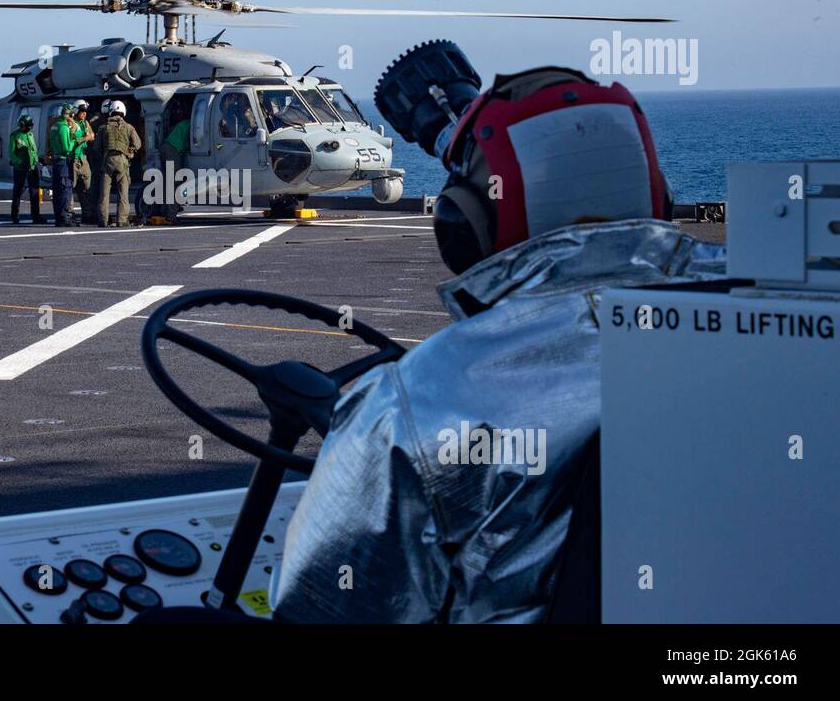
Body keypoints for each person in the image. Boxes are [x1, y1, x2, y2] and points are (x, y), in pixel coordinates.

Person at [270, 66, 726, 623]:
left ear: (465, 224)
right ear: (660, 195)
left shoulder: (420, 401)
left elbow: (323, 609)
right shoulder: (791, 321)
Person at [97, 100, 142, 227]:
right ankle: (122, 220)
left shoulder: (103, 127)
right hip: (122, 161)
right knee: (123, 192)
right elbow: (138, 144)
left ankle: (103, 220)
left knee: (104, 193)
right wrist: (130, 151)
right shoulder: (129, 127)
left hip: (107, 161)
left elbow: (96, 147)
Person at [8, 114, 42, 224]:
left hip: (32, 167)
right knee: (17, 192)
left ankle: (36, 216)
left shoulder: (30, 135)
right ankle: (14, 216)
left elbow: (33, 150)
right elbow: (11, 153)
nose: (29, 128)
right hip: (20, 168)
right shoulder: (15, 136)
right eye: (27, 126)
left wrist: (37, 160)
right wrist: (19, 162)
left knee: (34, 192)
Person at [48, 105, 78, 227]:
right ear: (70, 115)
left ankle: (59, 217)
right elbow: (67, 148)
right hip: (64, 161)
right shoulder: (64, 128)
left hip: (56, 161)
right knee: (65, 189)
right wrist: (74, 139)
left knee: (57, 190)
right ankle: (65, 218)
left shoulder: (54, 126)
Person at [71, 100, 96, 225]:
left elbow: (92, 135)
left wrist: (88, 137)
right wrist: (85, 138)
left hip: (83, 158)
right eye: (82, 111)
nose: (84, 114)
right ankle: (70, 215)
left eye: (85, 112)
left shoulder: (85, 123)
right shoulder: (71, 124)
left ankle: (87, 214)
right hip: (73, 158)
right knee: (70, 188)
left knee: (86, 187)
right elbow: (72, 141)